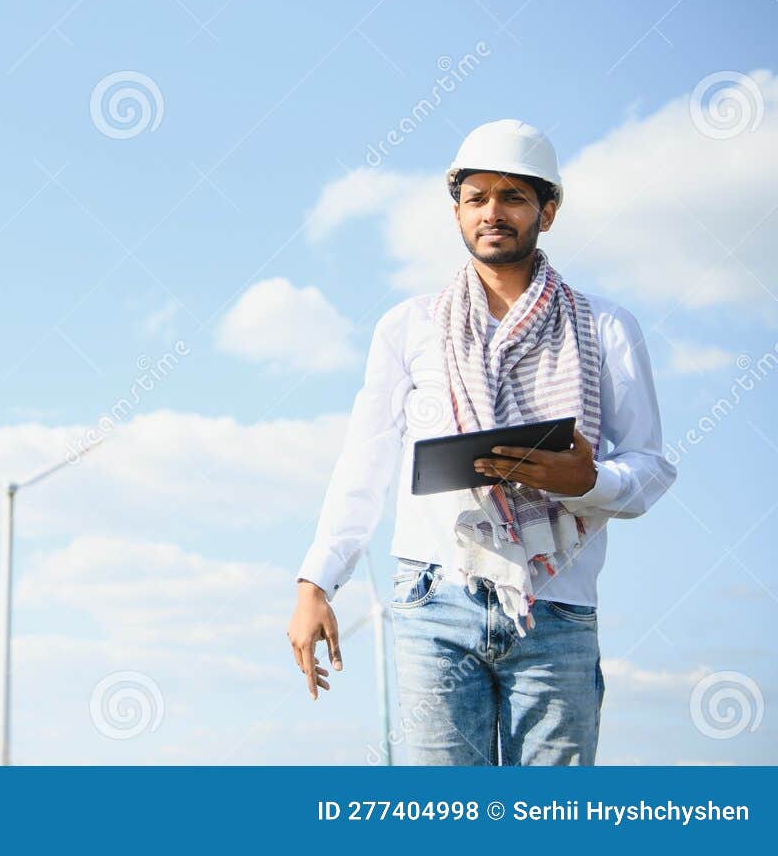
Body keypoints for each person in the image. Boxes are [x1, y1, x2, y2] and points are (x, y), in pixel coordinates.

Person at [284, 119, 675, 765]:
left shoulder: (606, 328)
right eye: (476, 197)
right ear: (458, 210)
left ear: (547, 211)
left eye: (514, 197)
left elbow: (650, 466)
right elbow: (365, 461)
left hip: (557, 608)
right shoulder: (408, 326)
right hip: (432, 601)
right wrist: (315, 583)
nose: (493, 212)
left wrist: (588, 482)